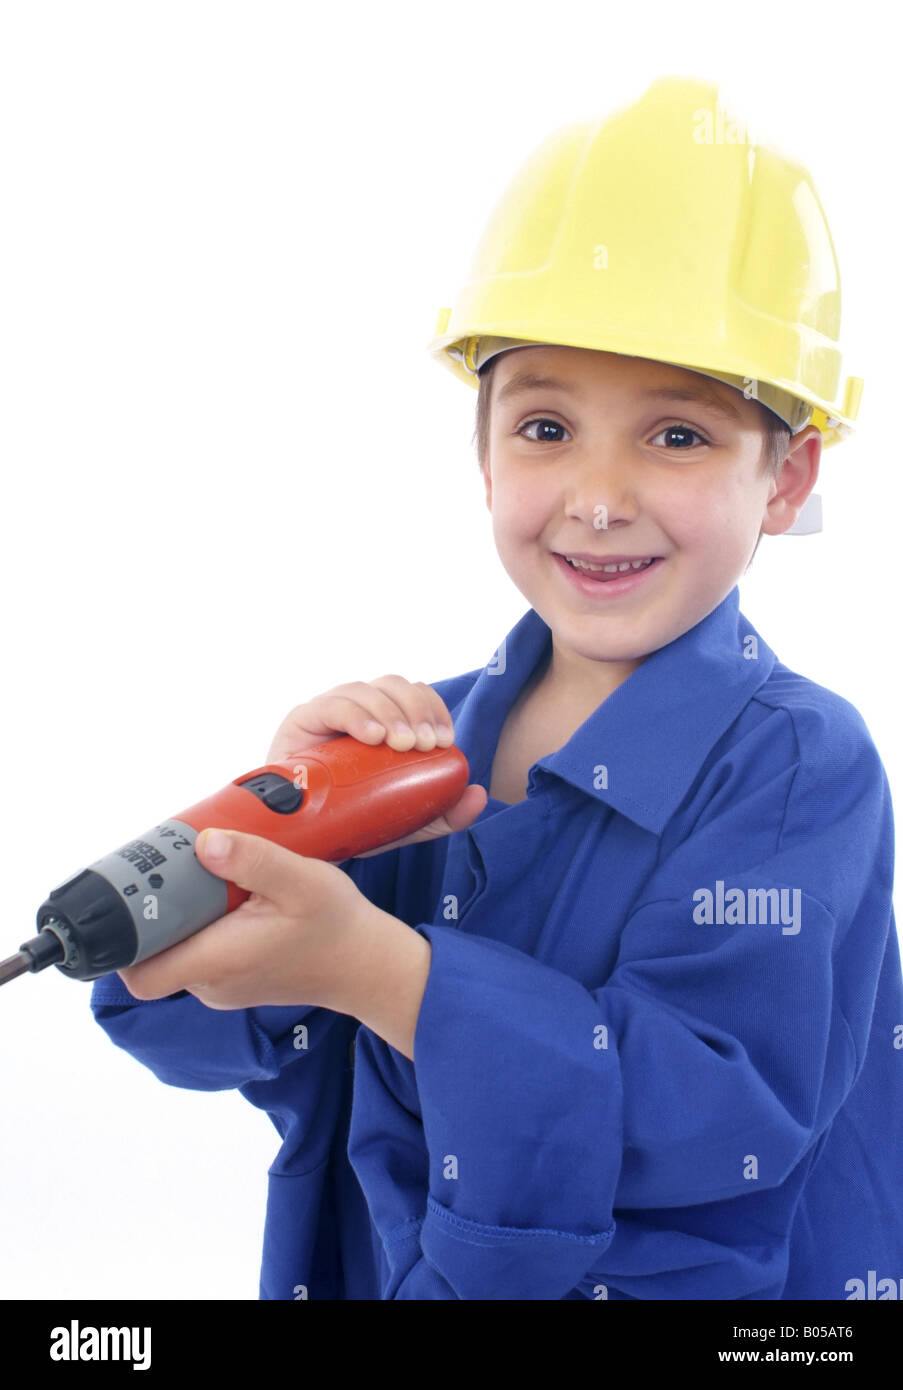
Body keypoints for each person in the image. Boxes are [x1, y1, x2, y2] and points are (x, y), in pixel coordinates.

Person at [90, 76, 903, 1300]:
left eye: (676, 434)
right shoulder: (416, 744)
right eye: (545, 428)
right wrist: (261, 844)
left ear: (785, 481)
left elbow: (713, 1115)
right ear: (480, 454)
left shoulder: (796, 766)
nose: (597, 493)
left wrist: (388, 974)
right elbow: (180, 1022)